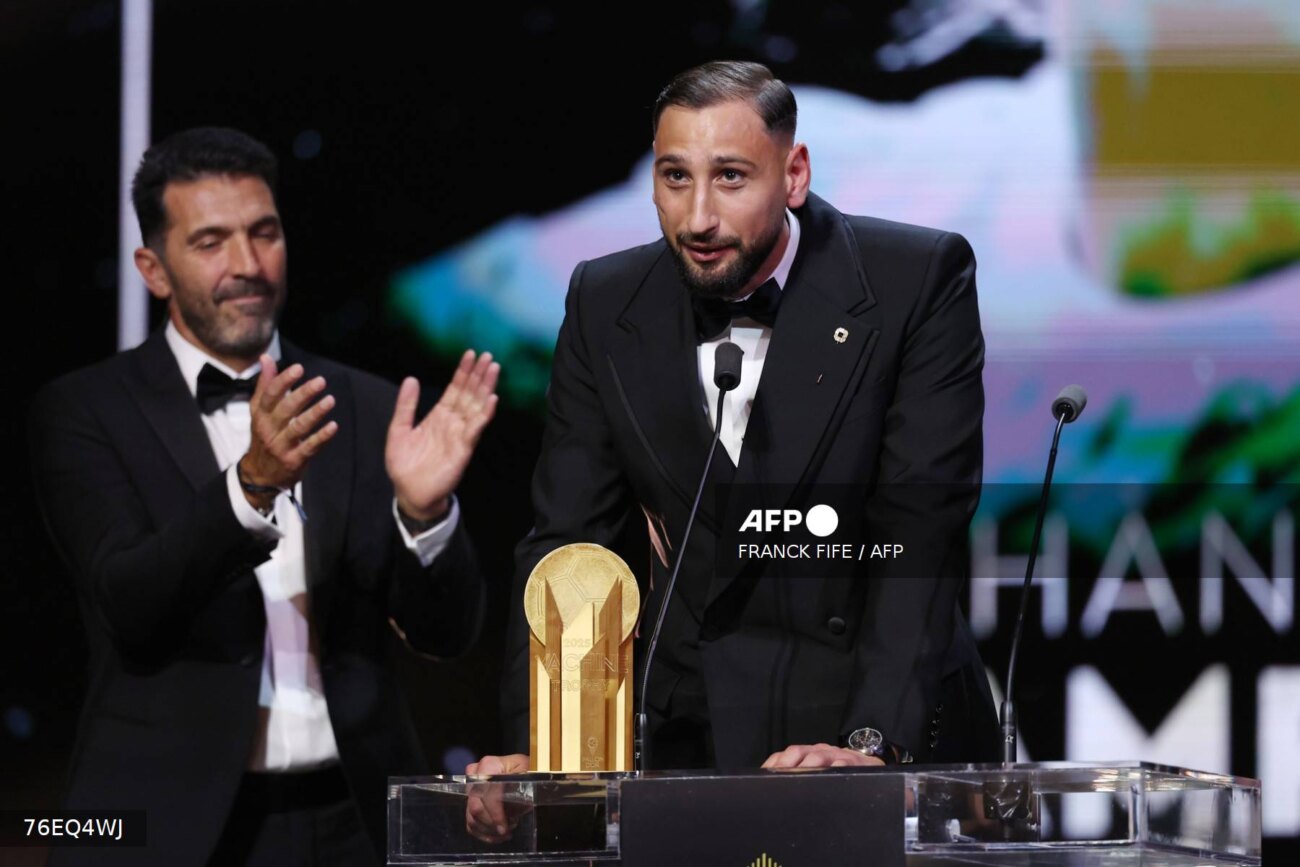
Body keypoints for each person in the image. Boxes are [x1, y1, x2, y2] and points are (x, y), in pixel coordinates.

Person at [470, 61, 998, 787]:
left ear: (794, 173)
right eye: (675, 177)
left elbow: (919, 531)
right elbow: (568, 543)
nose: (698, 219)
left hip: (856, 726)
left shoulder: (914, 280)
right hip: (687, 735)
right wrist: (547, 747)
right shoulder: (607, 301)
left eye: (730, 177)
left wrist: (872, 743)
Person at [28, 127, 497, 866]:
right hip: (171, 823)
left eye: (264, 233)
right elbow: (130, 600)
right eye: (211, 242)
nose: (247, 266)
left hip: (358, 816)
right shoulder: (85, 411)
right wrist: (252, 484)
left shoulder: (369, 405)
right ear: (153, 269)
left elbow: (448, 634)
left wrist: (426, 514)